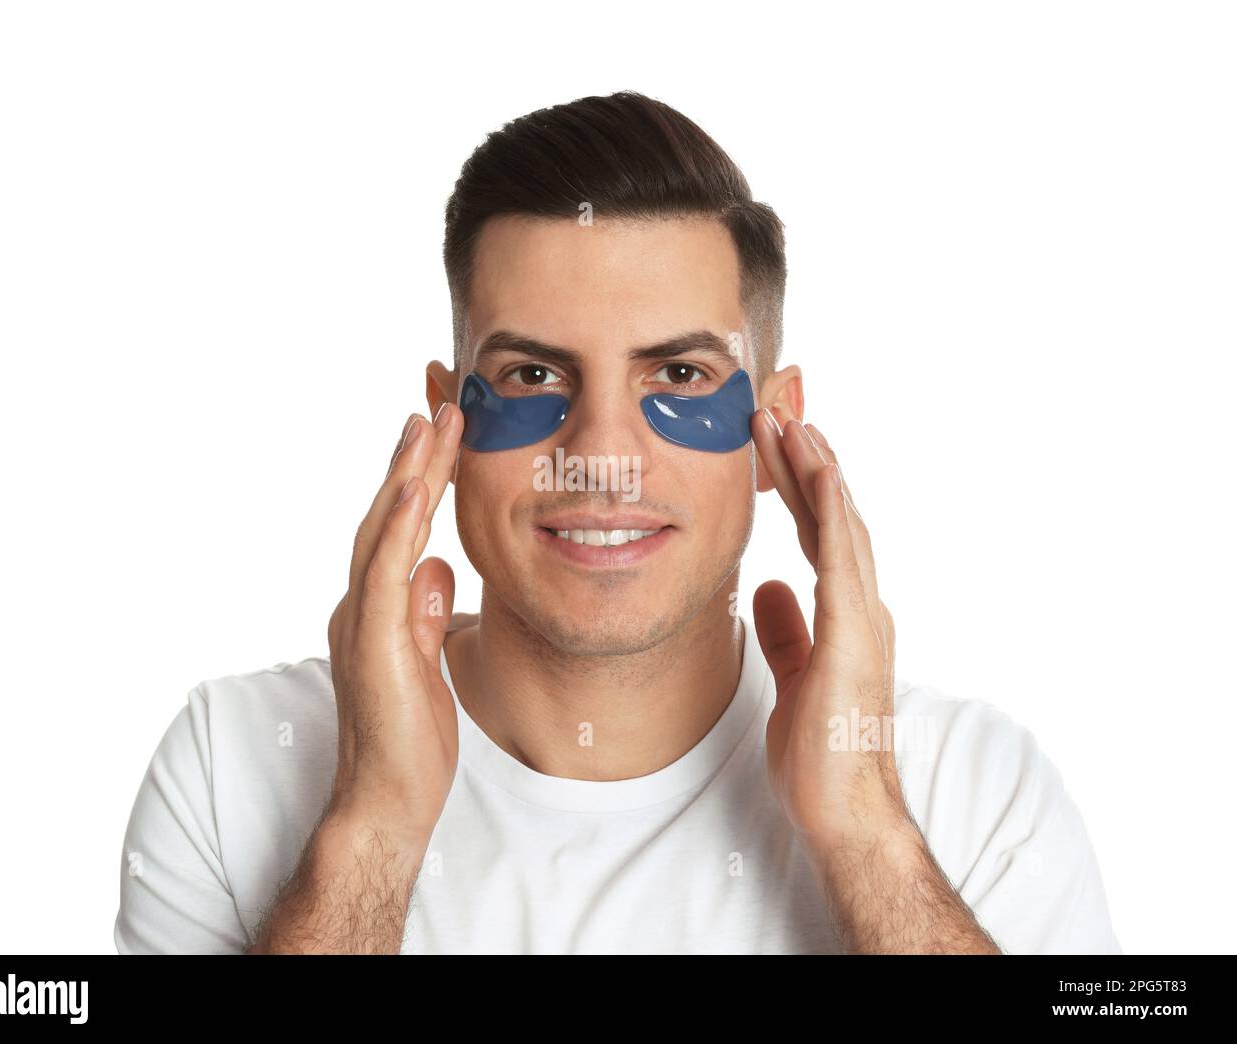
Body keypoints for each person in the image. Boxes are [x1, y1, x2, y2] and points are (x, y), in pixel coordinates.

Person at [114, 90, 1119, 954]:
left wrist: (864, 835)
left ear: (776, 432)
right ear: (448, 419)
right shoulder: (237, 763)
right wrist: (372, 828)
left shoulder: (971, 797)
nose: (602, 450)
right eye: (533, 375)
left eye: (678, 374)